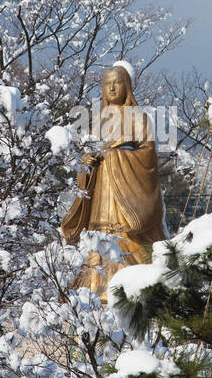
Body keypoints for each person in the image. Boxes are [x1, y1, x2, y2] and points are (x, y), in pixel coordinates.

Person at [61, 64, 166, 296]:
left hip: (127, 196)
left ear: (126, 86)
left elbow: (148, 155)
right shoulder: (98, 119)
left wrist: (117, 152)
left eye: (116, 82)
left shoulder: (139, 117)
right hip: (101, 192)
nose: (111, 87)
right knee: (100, 238)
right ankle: (95, 286)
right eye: (106, 82)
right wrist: (86, 162)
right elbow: (88, 150)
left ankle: (131, 282)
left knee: (127, 239)